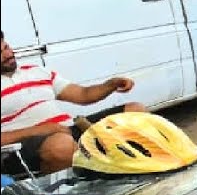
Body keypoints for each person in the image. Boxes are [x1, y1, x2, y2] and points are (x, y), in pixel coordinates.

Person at [2, 32, 146, 175]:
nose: (8, 54)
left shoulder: (36, 72)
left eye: (6, 47)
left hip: (68, 129)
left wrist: (110, 85)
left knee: (135, 111)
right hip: (25, 146)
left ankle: (142, 168)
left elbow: (83, 95)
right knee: (61, 145)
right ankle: (64, 190)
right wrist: (41, 130)